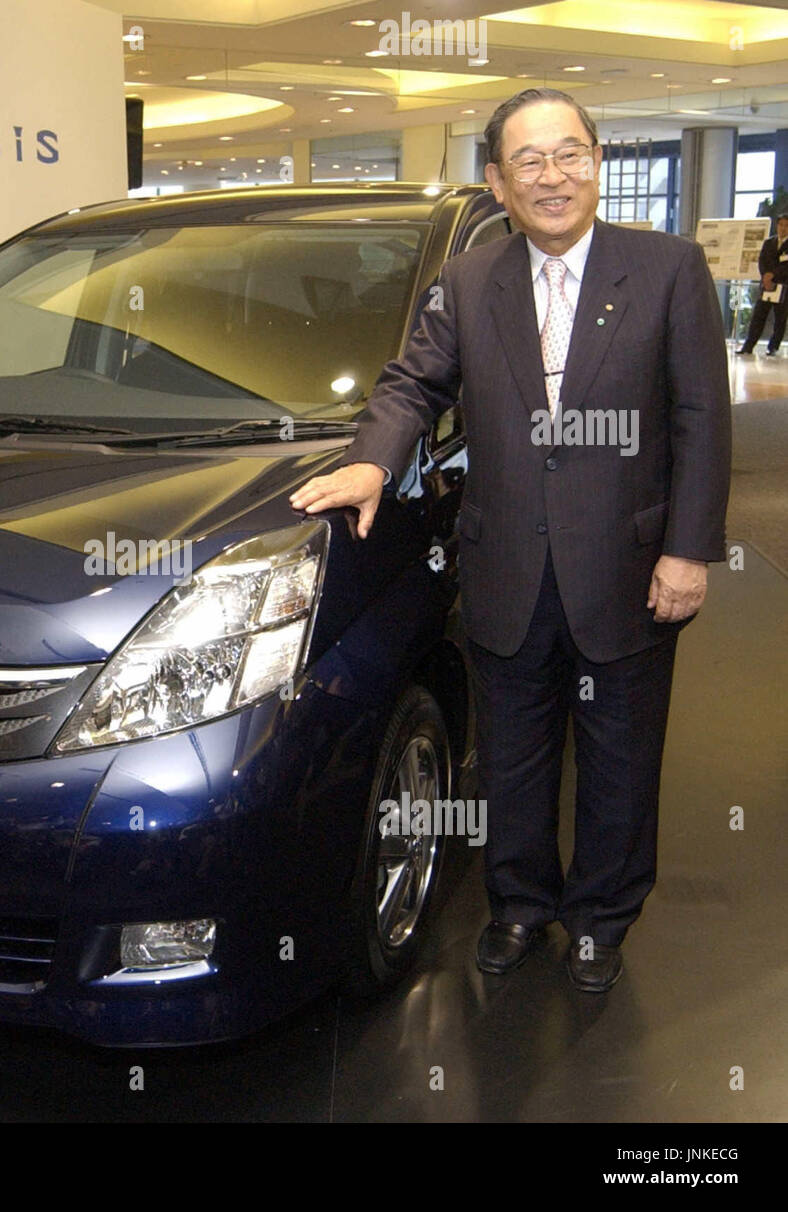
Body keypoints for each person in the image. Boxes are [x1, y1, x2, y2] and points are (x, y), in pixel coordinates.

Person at [289, 87, 731, 992]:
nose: (553, 176)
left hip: (631, 569)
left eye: (570, 154)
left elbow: (700, 420)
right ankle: (521, 906)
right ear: (496, 180)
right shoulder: (469, 281)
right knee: (515, 762)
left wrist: (691, 552)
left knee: (620, 763)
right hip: (506, 569)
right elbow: (413, 383)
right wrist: (374, 461)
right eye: (529, 161)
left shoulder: (669, 270)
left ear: (598, 162)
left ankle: (603, 920)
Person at [737, 213, 788, 356]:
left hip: (783, 287)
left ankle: (773, 347)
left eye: (786, 226)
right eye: (781, 225)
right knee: (758, 315)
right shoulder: (769, 243)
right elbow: (762, 261)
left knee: (780, 319)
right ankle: (748, 346)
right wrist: (766, 276)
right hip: (766, 285)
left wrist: (774, 275)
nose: (783, 228)